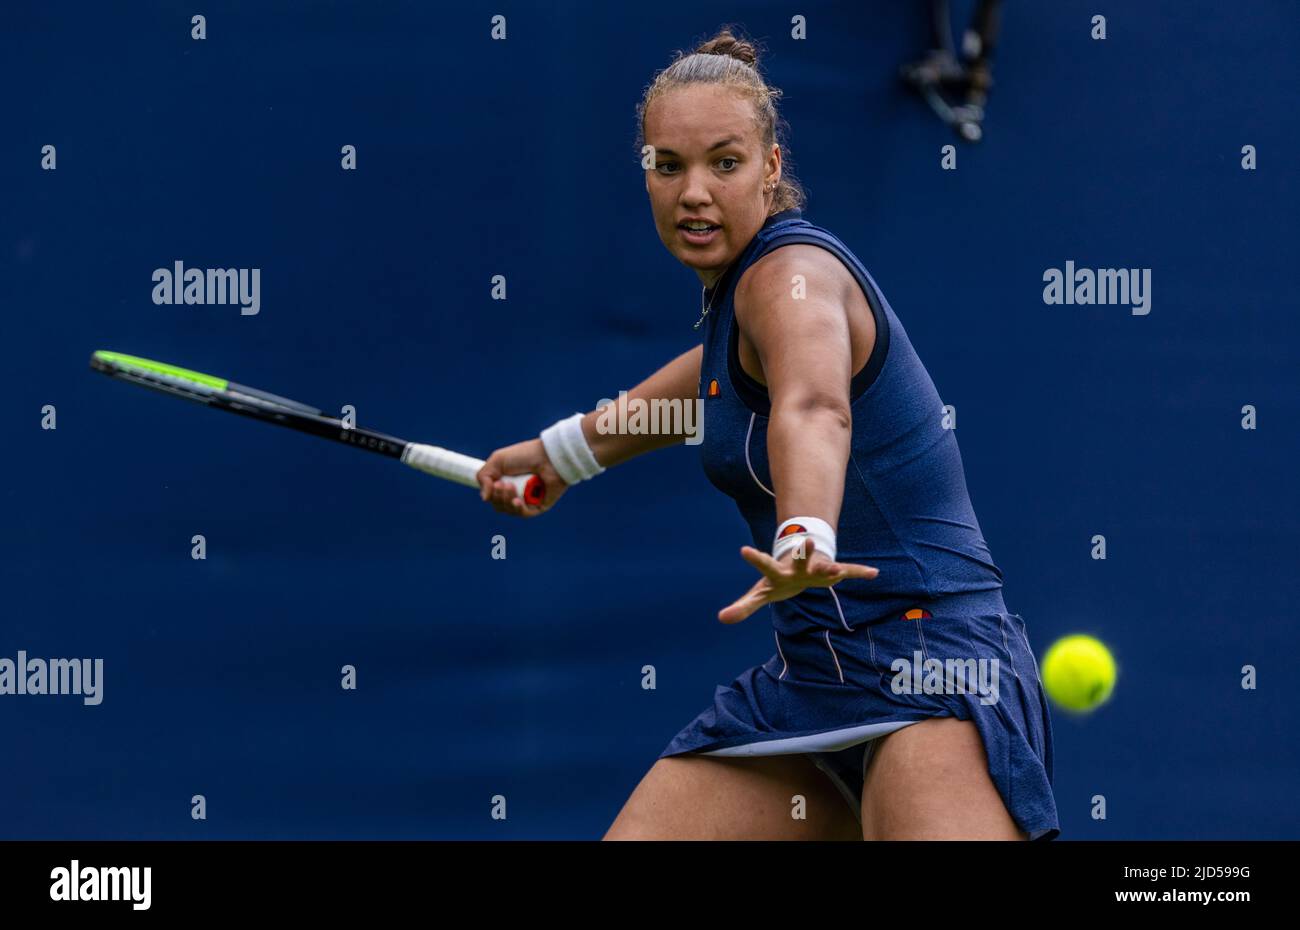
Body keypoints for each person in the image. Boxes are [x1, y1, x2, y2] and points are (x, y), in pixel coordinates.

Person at [476, 27, 1059, 841]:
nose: (694, 194)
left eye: (725, 162)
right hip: (814, 675)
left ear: (772, 167)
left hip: (935, 664)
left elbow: (814, 407)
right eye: (668, 167)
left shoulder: (795, 279)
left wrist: (803, 531)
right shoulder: (741, 308)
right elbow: (698, 394)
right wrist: (562, 455)